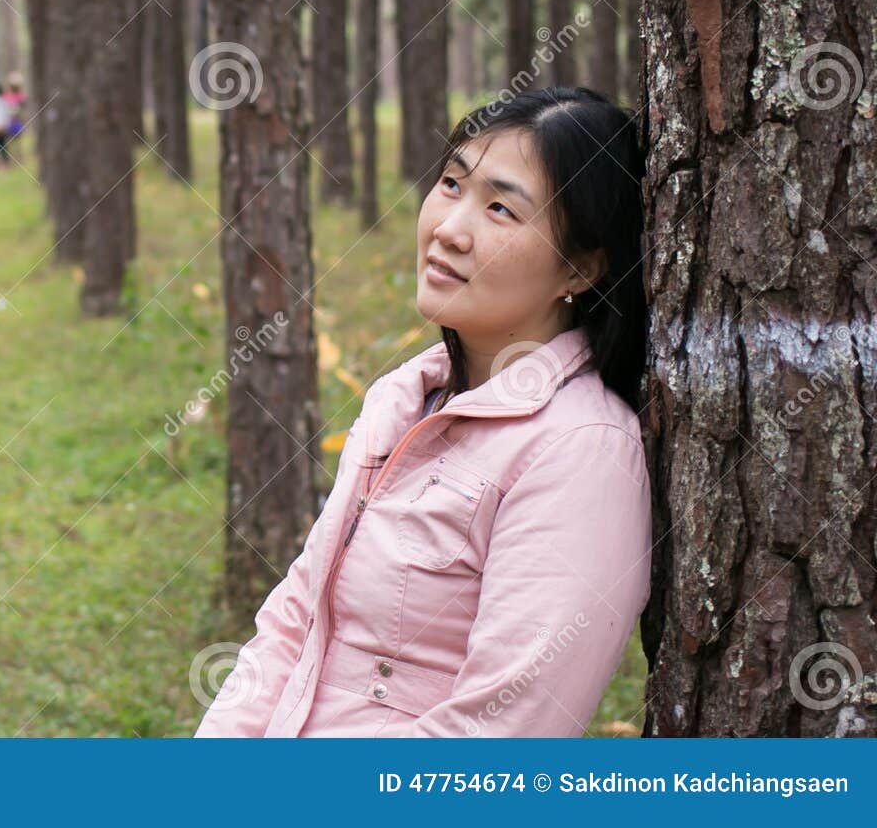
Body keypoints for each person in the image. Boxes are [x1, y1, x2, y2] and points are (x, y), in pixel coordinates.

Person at [196, 86, 650, 739]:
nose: (448, 228)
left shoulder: (582, 452)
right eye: (450, 183)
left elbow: (500, 738)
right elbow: (297, 616)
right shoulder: (405, 395)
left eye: (500, 207)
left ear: (579, 267)